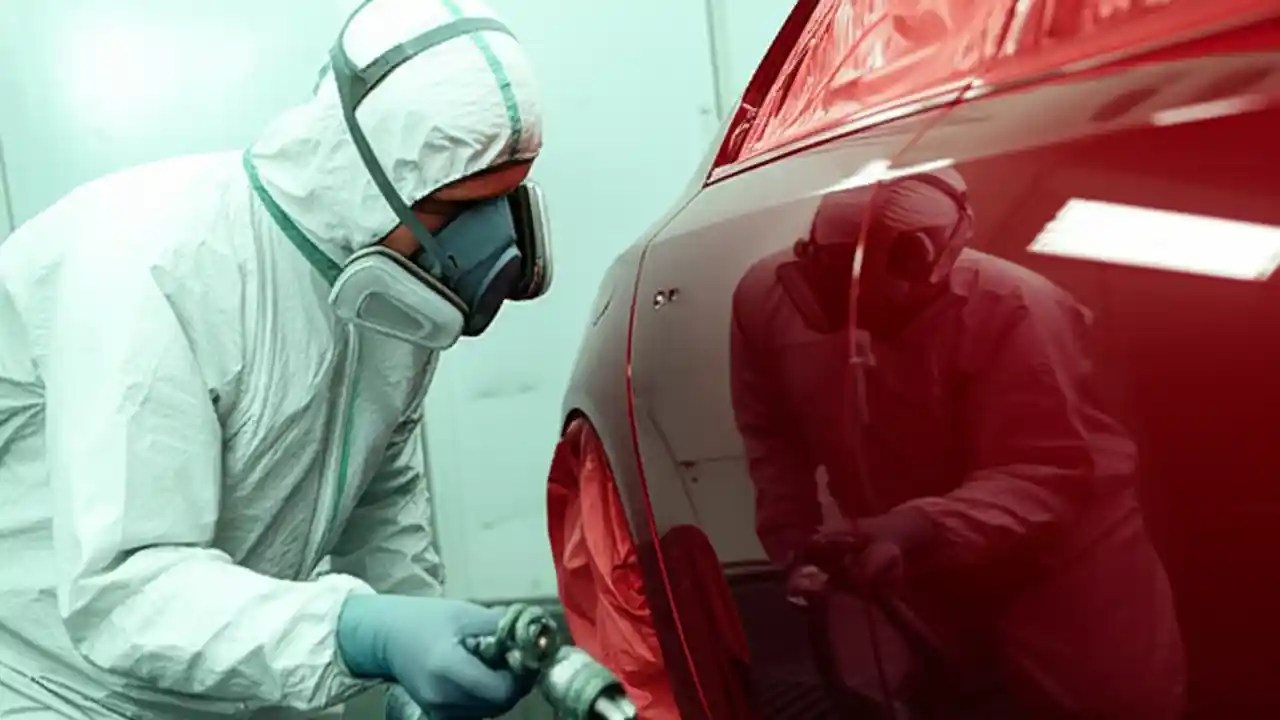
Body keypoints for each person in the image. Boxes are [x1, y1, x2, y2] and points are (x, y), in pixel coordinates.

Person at [0, 1, 549, 718]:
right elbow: (122, 591)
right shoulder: (152, 266)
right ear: (368, 177)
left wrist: (415, 641)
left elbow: (380, 500)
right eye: (459, 208)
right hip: (56, 686)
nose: (490, 247)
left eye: (506, 200)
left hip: (236, 679)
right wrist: (359, 632)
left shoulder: (385, 284)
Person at [729, 169, 1186, 718]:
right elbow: (773, 435)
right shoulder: (765, 301)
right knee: (899, 698)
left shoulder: (1017, 308)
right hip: (897, 557)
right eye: (834, 272)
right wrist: (796, 543)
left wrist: (918, 527)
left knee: (1116, 706)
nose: (857, 316)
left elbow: (1043, 470)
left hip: (1061, 560)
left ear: (927, 259)